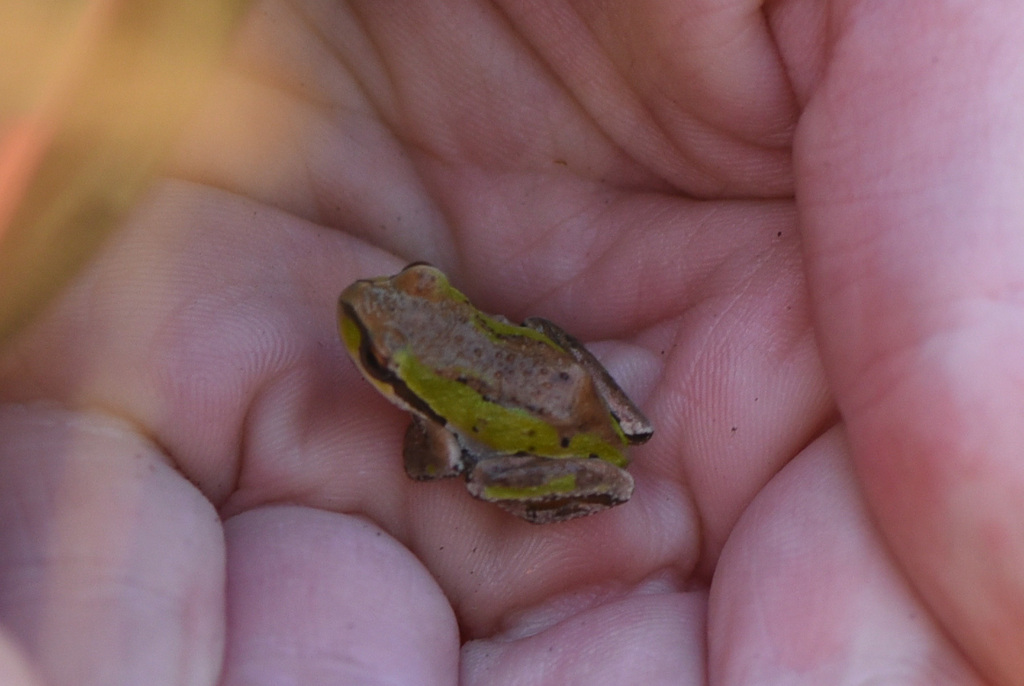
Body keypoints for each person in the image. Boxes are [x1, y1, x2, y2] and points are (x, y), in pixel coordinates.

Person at [0, 1, 1018, 684]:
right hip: (568, 377)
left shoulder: (427, 409)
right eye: (375, 338)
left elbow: (435, 451)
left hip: (554, 437)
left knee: (486, 469)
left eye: (381, 338)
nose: (367, 312)